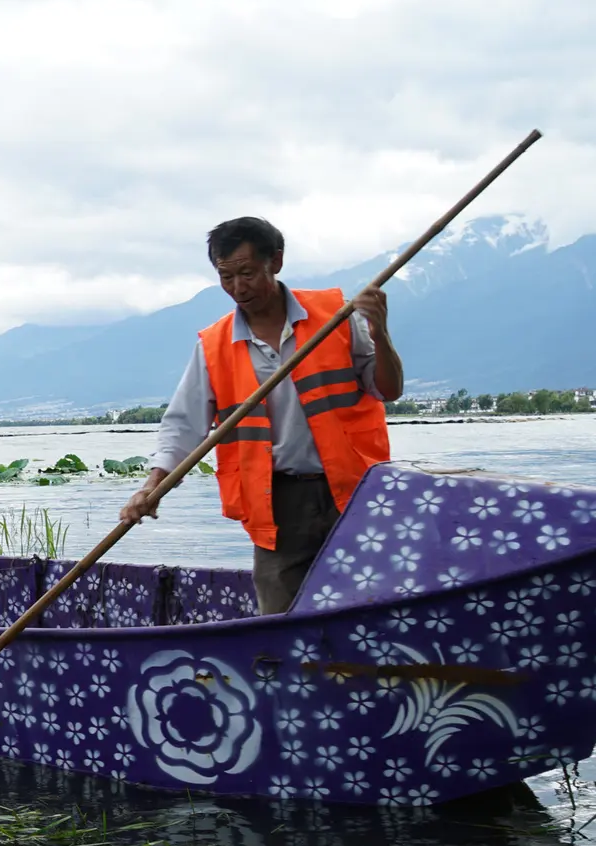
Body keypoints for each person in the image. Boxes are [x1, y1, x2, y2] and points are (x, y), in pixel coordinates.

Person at [119, 217, 402, 614]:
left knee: (369, 604)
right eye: (226, 276)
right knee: (280, 619)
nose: (238, 287)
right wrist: (151, 487)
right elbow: (183, 426)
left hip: (353, 491)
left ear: (277, 262)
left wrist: (379, 329)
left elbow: (388, 390)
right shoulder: (214, 345)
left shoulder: (335, 315)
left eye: (248, 273)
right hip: (277, 502)